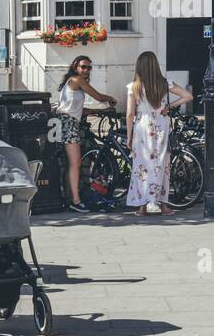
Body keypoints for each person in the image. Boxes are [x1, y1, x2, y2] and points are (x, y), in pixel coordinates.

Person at [126, 50, 194, 217]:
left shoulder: (134, 86)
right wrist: (169, 107)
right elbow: (188, 96)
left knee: (141, 167)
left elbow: (129, 113)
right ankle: (164, 206)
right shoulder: (165, 84)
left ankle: (141, 207)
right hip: (161, 125)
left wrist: (129, 136)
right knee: (162, 166)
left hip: (142, 128)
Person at [57, 55, 118, 213]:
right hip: (68, 123)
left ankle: (69, 197)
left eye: (89, 67)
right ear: (75, 67)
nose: (86, 70)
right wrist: (110, 99)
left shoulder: (72, 83)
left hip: (69, 122)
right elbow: (97, 96)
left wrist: (100, 111)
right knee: (75, 162)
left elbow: (79, 109)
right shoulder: (76, 80)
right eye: (83, 67)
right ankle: (75, 201)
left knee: (71, 163)